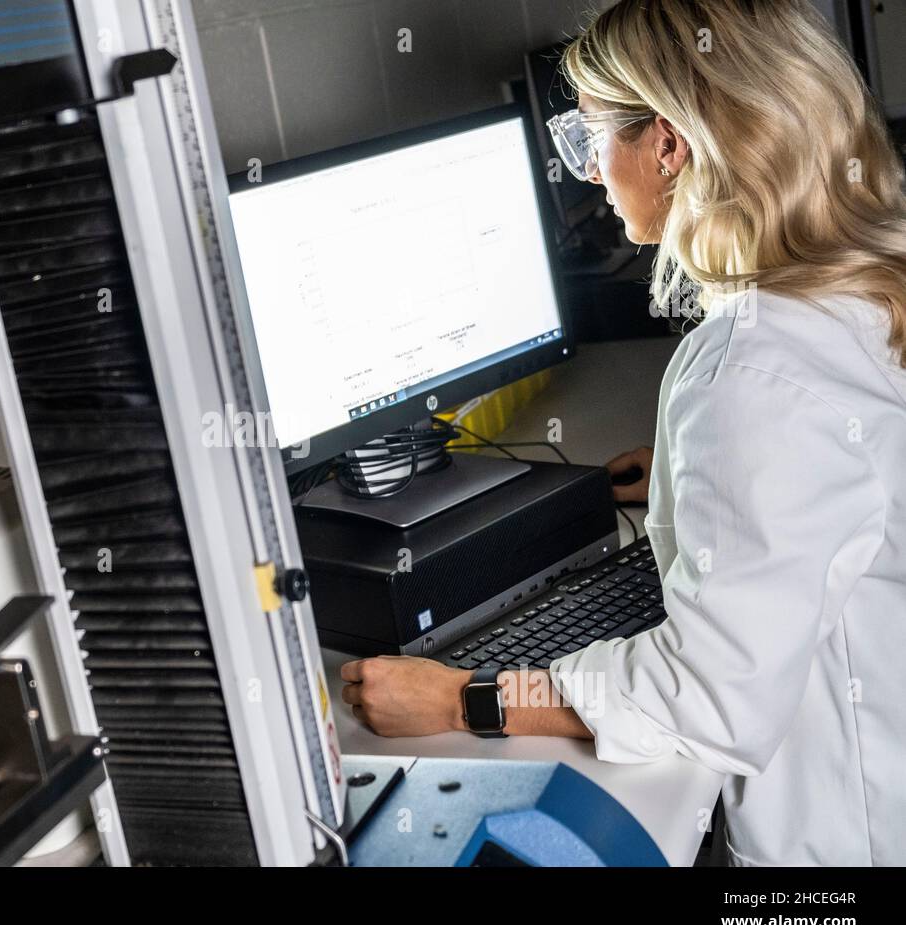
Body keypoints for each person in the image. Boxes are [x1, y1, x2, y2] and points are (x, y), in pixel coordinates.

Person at [339, 0, 906, 866]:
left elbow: (710, 699)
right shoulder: (870, 275)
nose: (591, 174)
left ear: (669, 146)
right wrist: (690, 481)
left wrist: (465, 699)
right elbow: (844, 473)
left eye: (591, 136)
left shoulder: (754, 376)